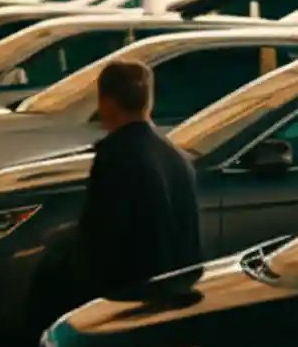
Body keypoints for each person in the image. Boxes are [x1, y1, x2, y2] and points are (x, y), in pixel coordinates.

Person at [77, 60, 203, 298]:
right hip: (176, 290)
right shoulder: (177, 157)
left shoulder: (115, 157)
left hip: (132, 294)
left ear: (107, 104)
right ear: (149, 101)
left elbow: (101, 237)